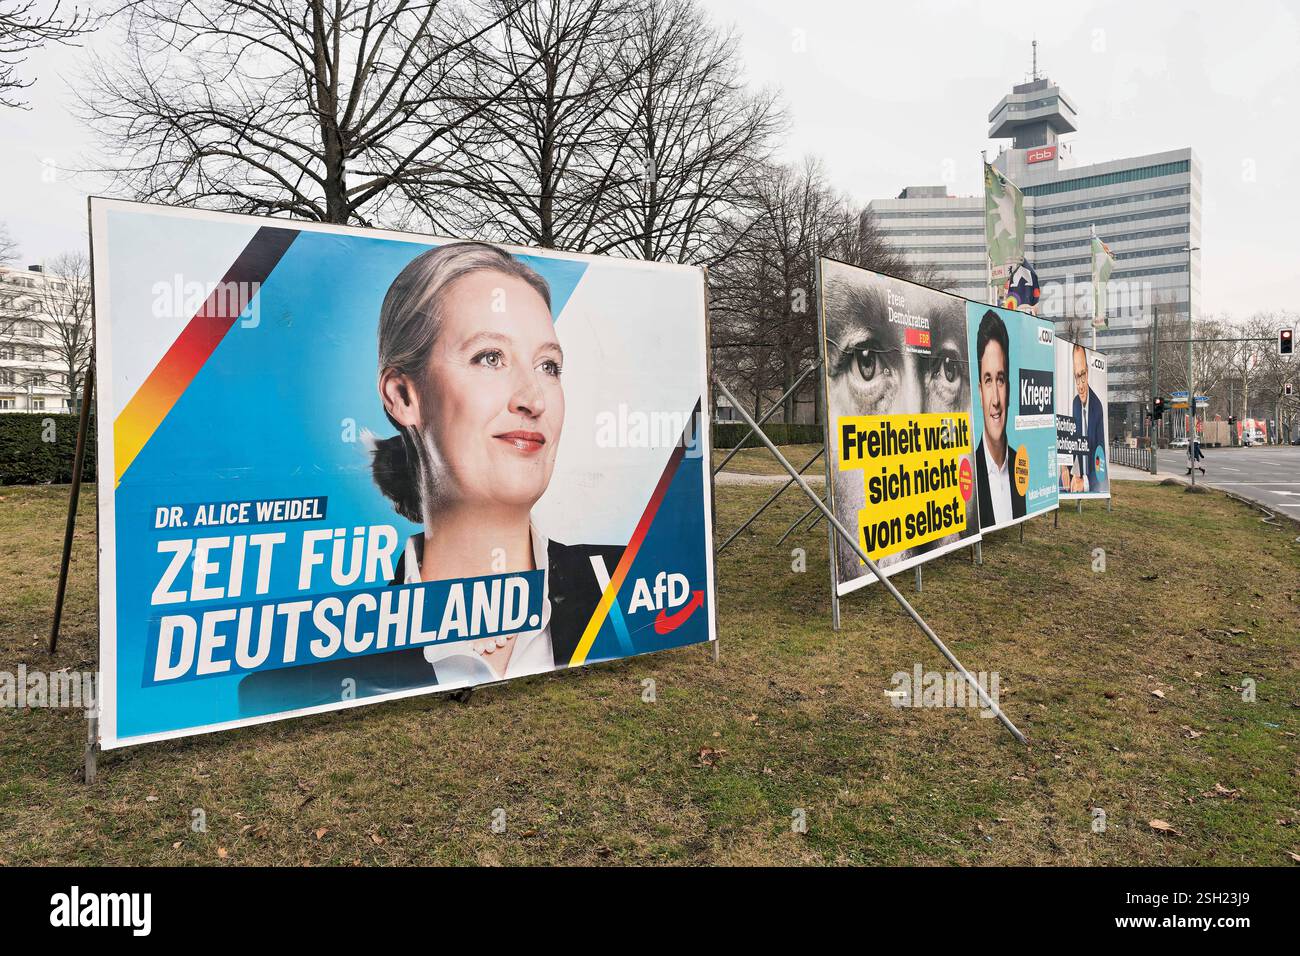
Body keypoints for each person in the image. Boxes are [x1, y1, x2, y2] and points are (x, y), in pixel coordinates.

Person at [239, 242, 624, 716]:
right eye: (489, 357)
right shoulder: (305, 673)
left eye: (549, 366)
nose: (533, 398)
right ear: (403, 395)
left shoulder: (630, 583)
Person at [972, 309, 1025, 528]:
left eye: (1000, 380)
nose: (995, 399)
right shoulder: (970, 476)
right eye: (988, 380)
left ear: (1009, 389)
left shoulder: (1020, 465)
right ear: (979, 392)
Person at [1060, 343, 1105, 493]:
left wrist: (1084, 482)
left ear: (1088, 372)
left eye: (1082, 375)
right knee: (1060, 482)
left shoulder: (1097, 408)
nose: (1080, 385)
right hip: (1079, 479)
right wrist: (1064, 467)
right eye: (1076, 377)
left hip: (1094, 483)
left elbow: (1102, 465)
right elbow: (1072, 444)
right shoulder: (1075, 404)